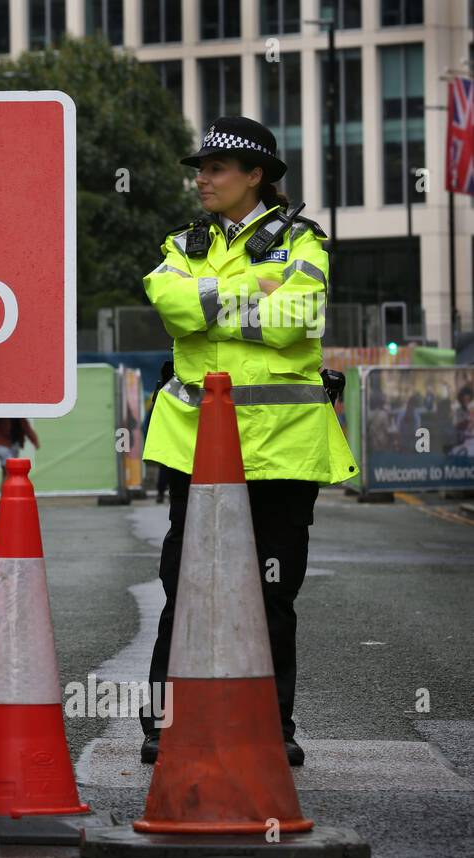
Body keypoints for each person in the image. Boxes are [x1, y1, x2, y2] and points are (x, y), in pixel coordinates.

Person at [140, 116, 357, 767]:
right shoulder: (186, 240)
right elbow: (168, 303)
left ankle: (272, 726)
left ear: (256, 174)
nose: (200, 179)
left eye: (214, 168)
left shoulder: (302, 239)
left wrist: (211, 303)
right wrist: (250, 294)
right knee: (185, 586)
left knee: (271, 592)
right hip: (197, 448)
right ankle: (163, 725)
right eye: (199, 169)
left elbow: (300, 318)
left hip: (284, 450)